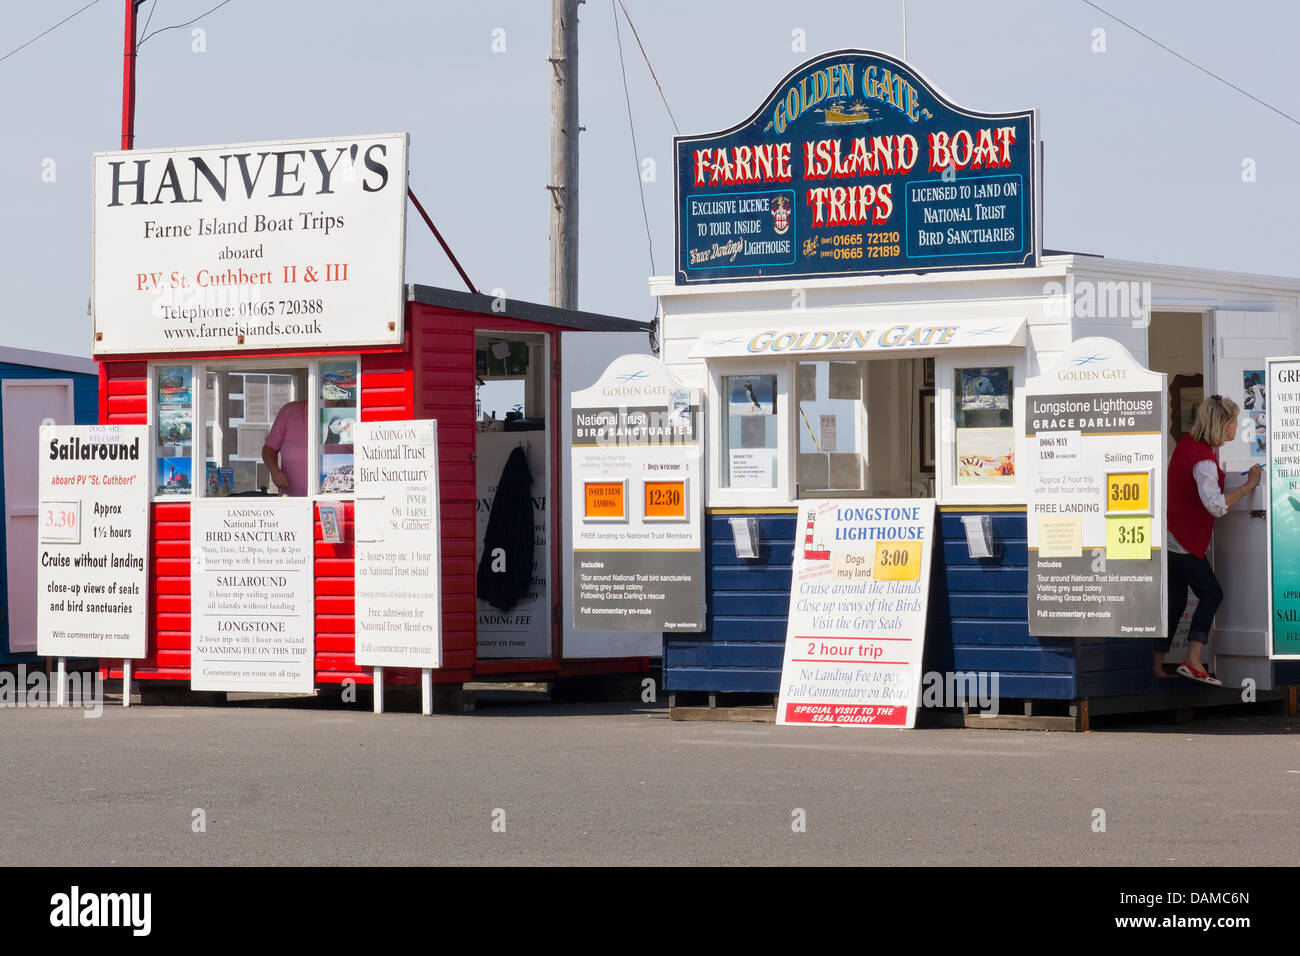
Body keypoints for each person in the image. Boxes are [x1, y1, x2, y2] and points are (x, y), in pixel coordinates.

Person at [1156, 394, 1263, 686]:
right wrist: (1249, 486)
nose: (1236, 428)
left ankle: (1157, 666)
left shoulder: (1186, 447)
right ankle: (1192, 660)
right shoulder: (1203, 458)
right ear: (1224, 424)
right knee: (1212, 593)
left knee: (1176, 601)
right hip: (1183, 540)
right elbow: (1214, 505)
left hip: (1171, 536)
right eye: (1234, 422)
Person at [261, 399, 309, 496]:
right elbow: (269, 449)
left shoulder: (345, 415)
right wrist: (275, 471)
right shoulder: (290, 411)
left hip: (336, 498)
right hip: (291, 499)